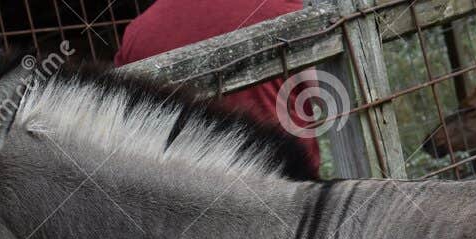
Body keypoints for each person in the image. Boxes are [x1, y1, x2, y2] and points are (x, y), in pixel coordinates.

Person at [114, 0, 322, 170]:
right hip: (282, 187)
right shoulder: (290, 12)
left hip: (179, 194)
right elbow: (333, 101)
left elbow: (124, 125)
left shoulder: (138, 31)